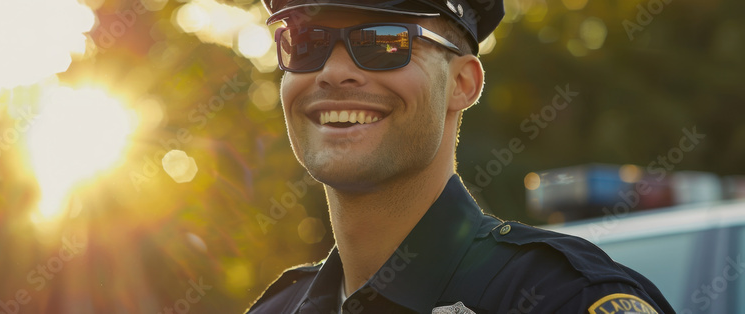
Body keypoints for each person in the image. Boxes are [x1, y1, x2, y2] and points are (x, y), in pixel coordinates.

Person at [244, 0, 675, 313]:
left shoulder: (560, 299)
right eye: (306, 43)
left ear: (463, 83)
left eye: (383, 42)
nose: (332, 71)